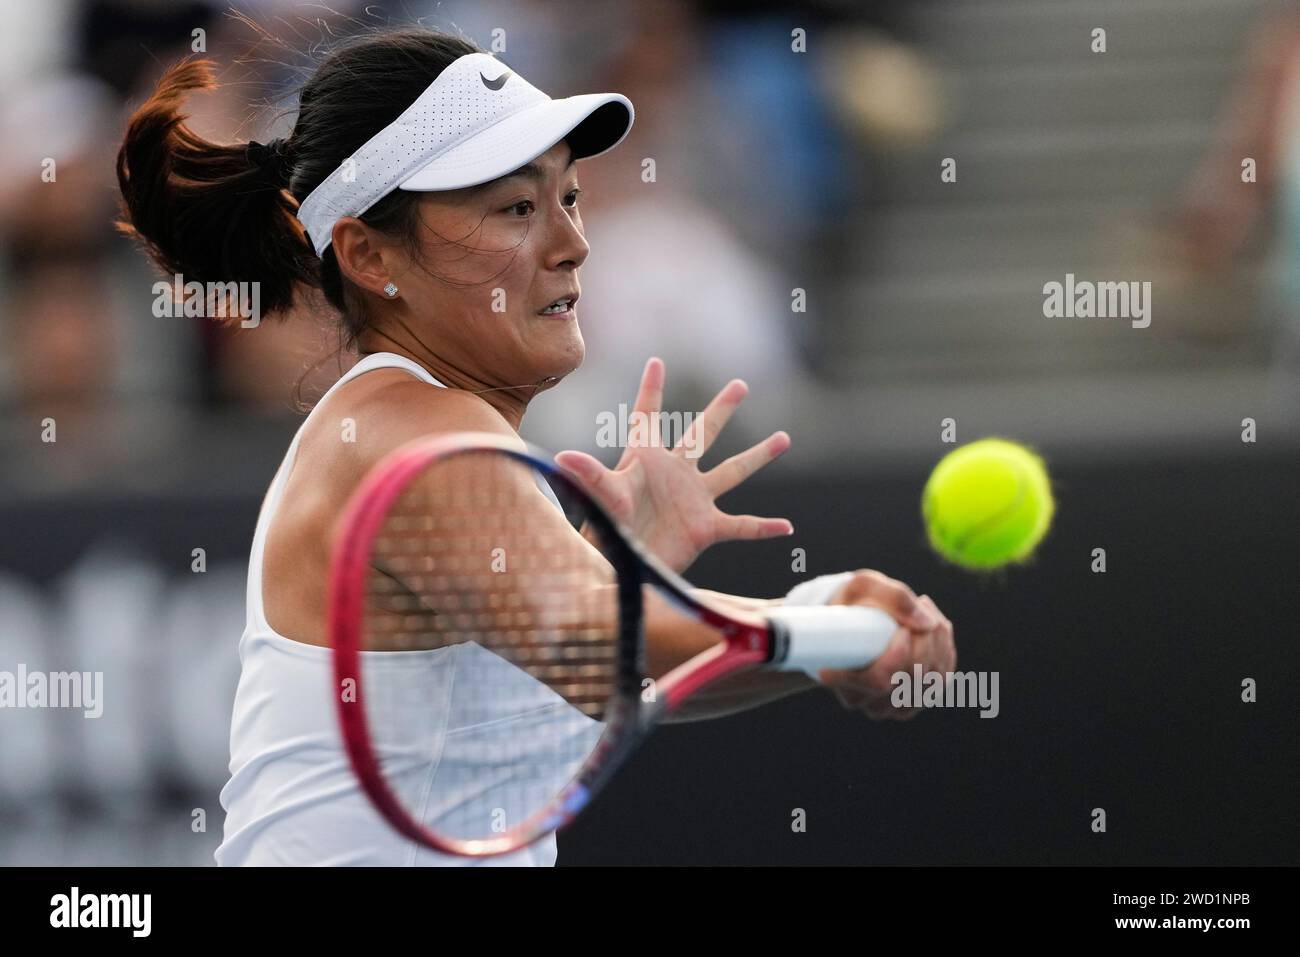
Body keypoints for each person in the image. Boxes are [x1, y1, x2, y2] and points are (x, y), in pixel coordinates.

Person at [115, 27, 955, 866]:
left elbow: (607, 675)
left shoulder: (409, 427)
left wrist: (649, 580)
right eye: (518, 207)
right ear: (369, 255)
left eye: (571, 197)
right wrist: (823, 623)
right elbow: (594, 646)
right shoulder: (406, 431)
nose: (572, 243)